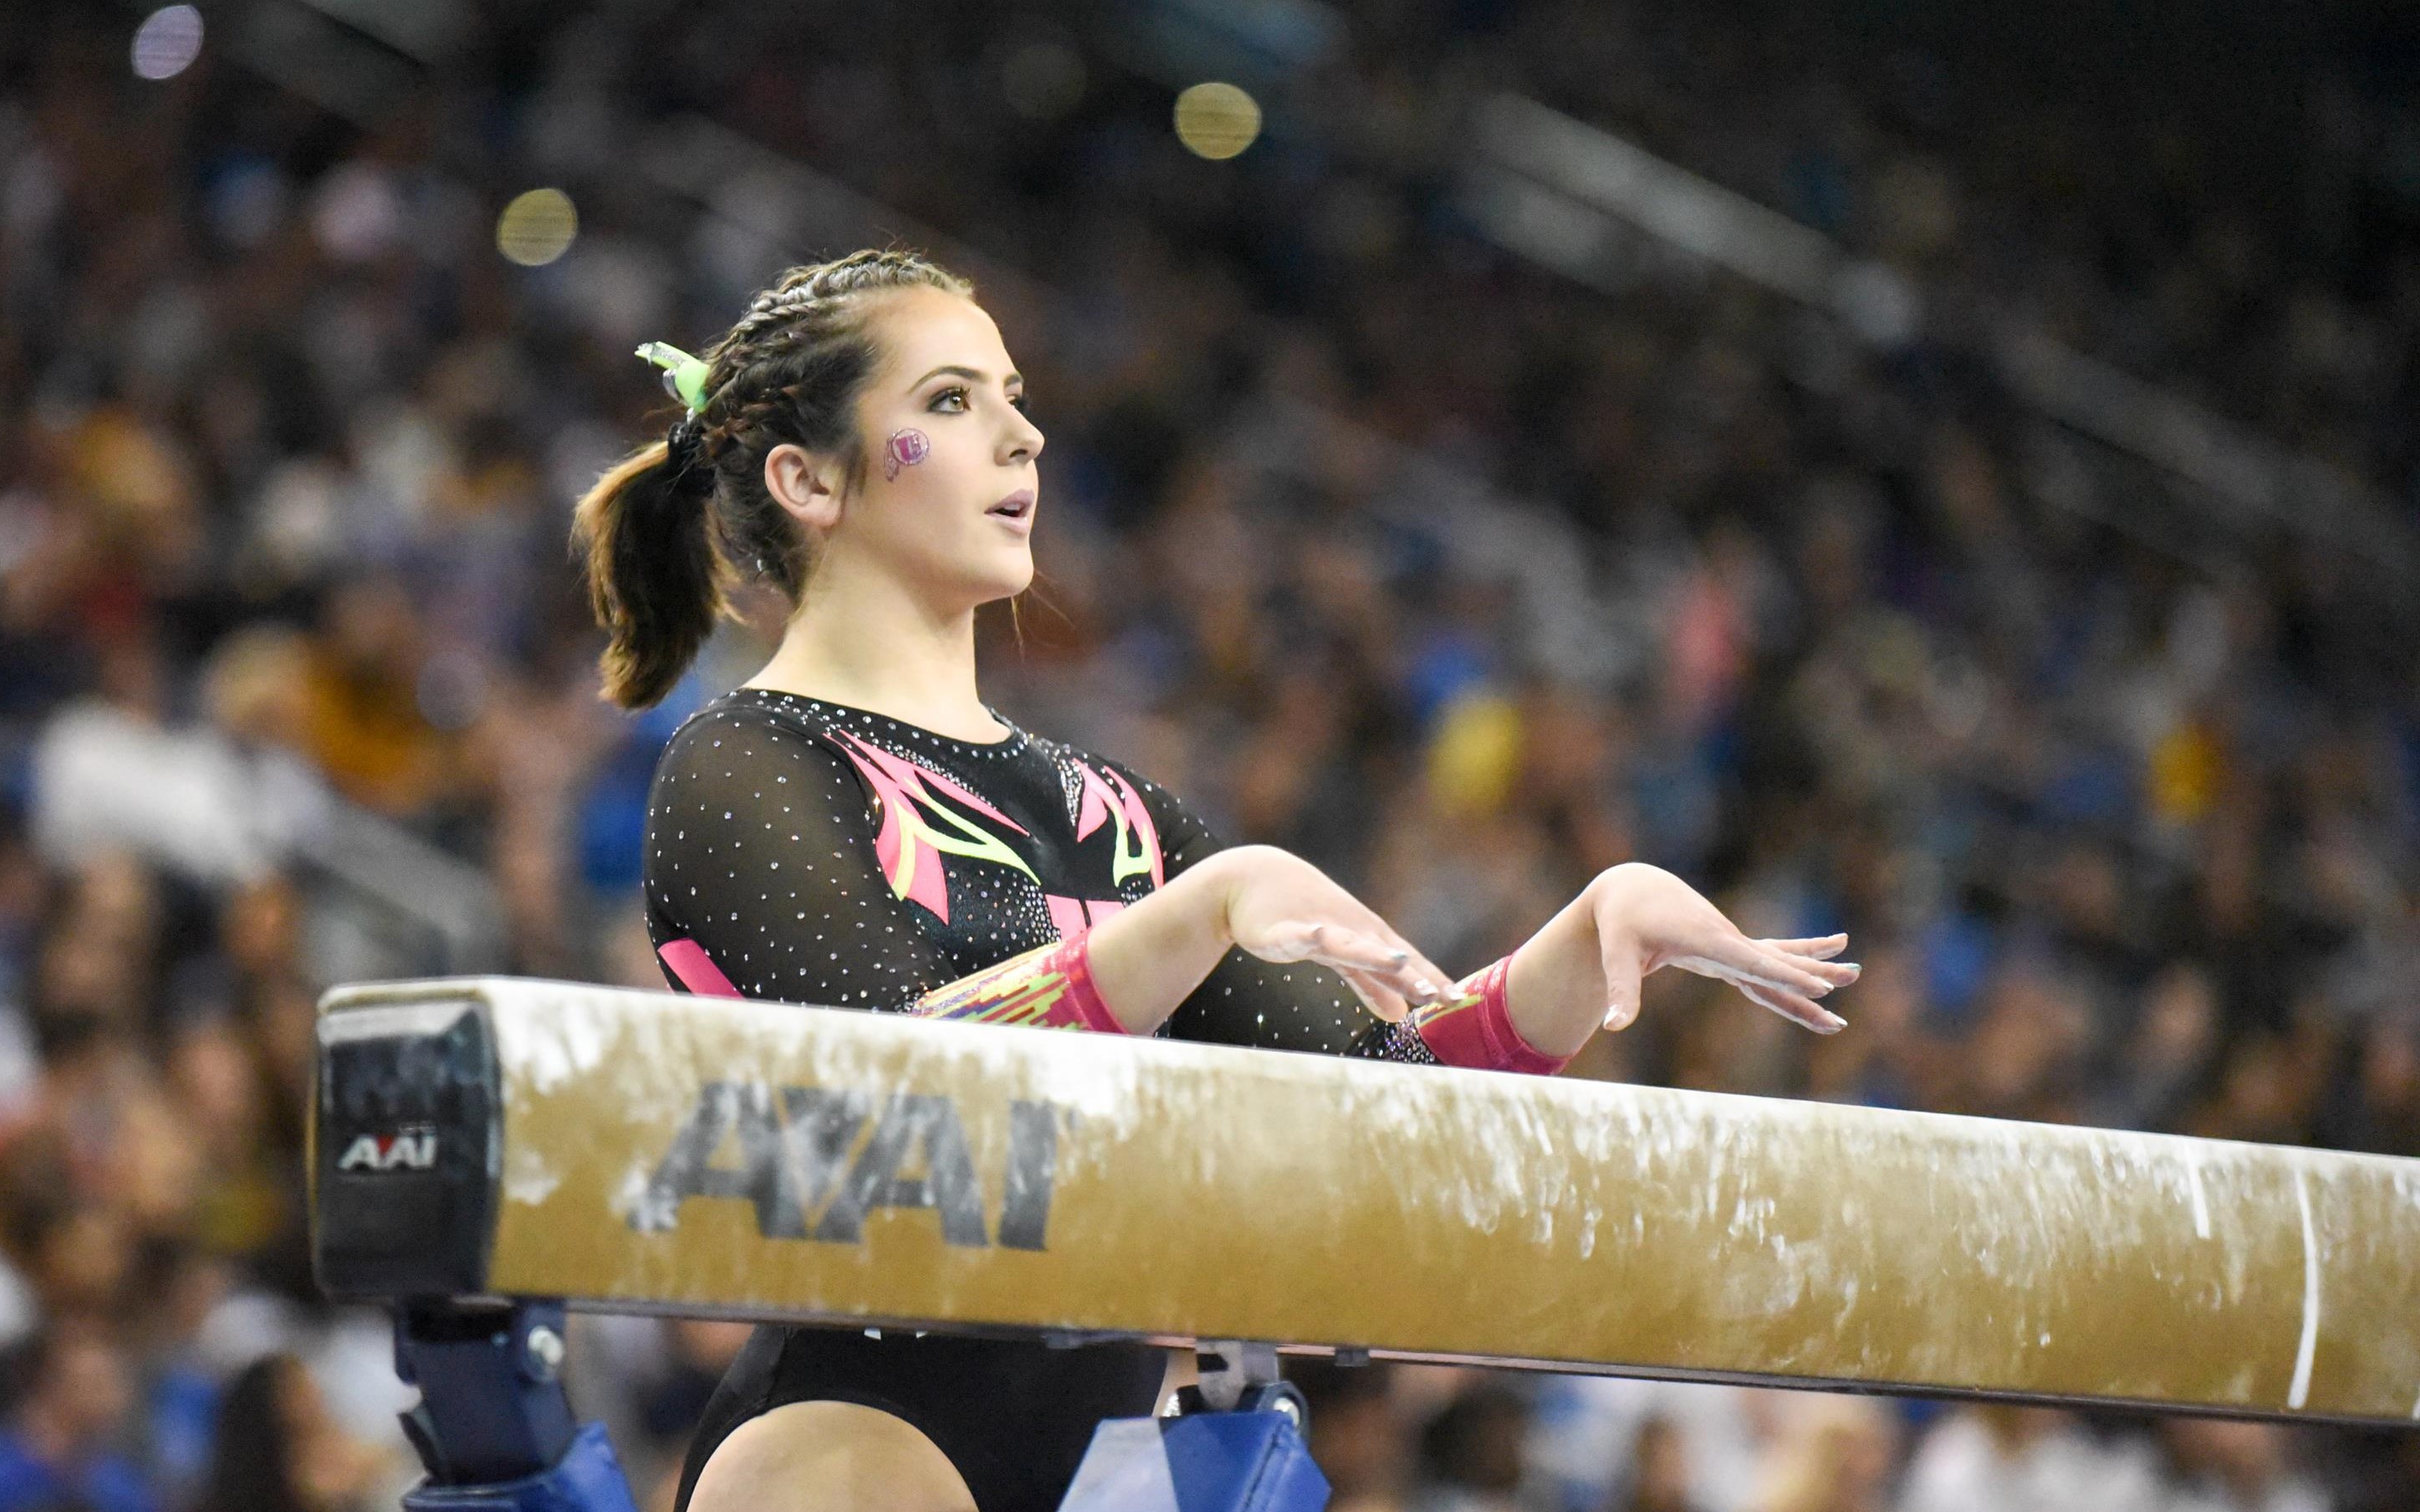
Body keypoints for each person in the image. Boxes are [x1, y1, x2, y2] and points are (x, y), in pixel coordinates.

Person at [579, 247, 1861, 1512]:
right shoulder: (745, 762)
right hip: (851, 1449)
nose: (1023, 436)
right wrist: (1194, 914)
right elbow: (891, 1098)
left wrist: (1578, 947)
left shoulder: (1120, 816)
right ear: (806, 478)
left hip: (1095, 1462)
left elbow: (1378, 1121)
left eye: (1016, 396)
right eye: (951, 400)